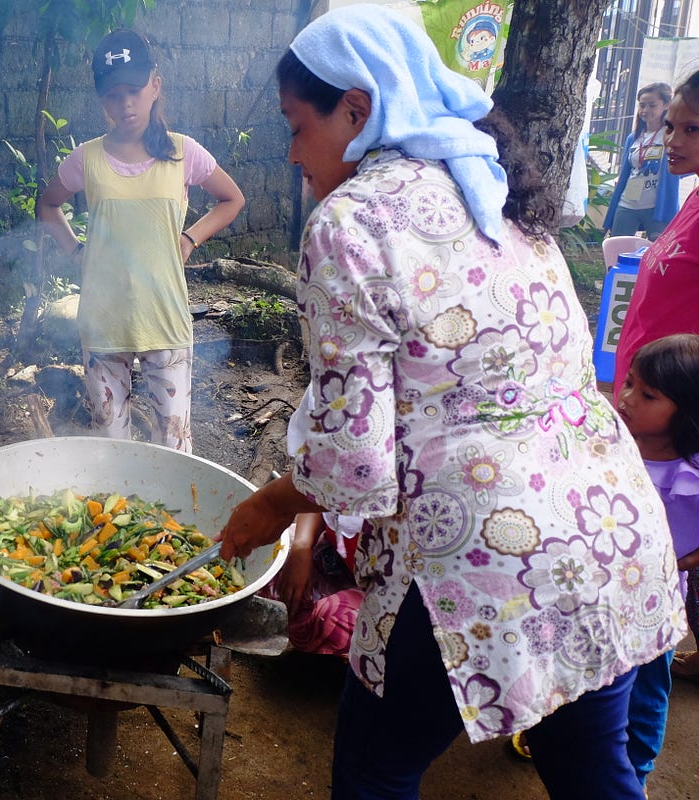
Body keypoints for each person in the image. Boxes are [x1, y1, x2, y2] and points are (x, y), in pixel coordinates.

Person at [216, 6, 685, 798]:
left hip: (478, 560)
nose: (293, 154)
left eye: (298, 128)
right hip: (608, 539)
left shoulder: (351, 222)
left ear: (357, 112)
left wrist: (273, 505)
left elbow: (355, 470)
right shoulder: (493, 183)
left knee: (376, 769)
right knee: (594, 778)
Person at [35, 29, 245, 453]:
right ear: (102, 100)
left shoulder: (185, 153)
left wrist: (189, 238)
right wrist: (76, 251)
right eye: (113, 95)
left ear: (155, 86)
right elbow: (47, 205)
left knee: (173, 446)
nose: (125, 103)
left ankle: (171, 521)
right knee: (112, 448)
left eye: (134, 90)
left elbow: (232, 199)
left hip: (163, 321)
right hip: (102, 323)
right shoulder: (87, 158)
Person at [617, 334, 699, 789]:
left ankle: (636, 772)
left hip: (657, 604)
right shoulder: (611, 446)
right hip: (598, 594)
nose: (626, 398)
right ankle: (571, 740)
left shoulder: (693, 470)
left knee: (646, 692)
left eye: (647, 395)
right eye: (629, 383)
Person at [612, 71, 699, 395]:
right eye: (670, 126)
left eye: (692, 129)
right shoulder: (694, 197)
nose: (673, 141)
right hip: (641, 389)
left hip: (672, 406)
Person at [260, 512, 363, 656]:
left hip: (381, 592)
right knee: (268, 549)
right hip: (332, 555)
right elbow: (316, 498)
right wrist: (302, 546)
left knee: (331, 622)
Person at [604, 82, 680, 241]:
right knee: (618, 248)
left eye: (652, 105)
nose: (645, 110)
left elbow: (683, 165)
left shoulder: (670, 135)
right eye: (642, 105)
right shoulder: (633, 137)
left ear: (666, 105)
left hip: (656, 207)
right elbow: (626, 173)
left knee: (659, 253)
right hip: (627, 203)